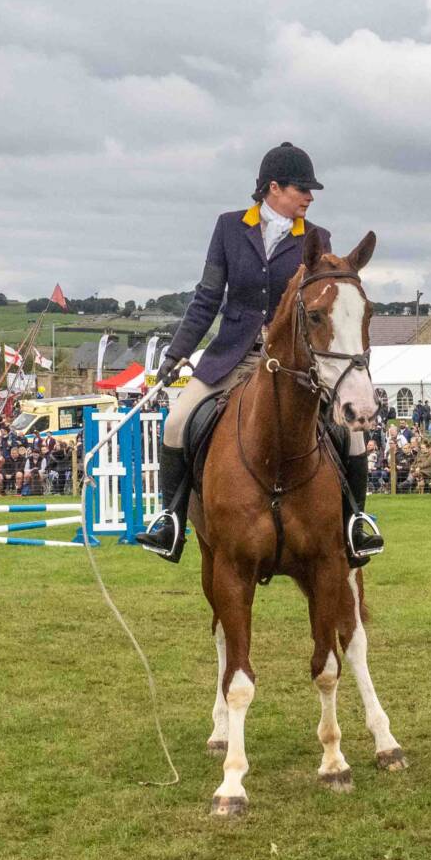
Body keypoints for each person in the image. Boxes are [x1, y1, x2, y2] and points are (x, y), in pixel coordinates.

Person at [135, 142, 383, 565]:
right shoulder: (229, 228)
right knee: (176, 422)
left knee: (353, 434)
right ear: (274, 188)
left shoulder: (316, 237)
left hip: (292, 364)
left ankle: (355, 524)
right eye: (302, 189)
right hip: (234, 355)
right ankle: (171, 521)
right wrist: (176, 354)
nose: (310, 197)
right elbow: (207, 297)